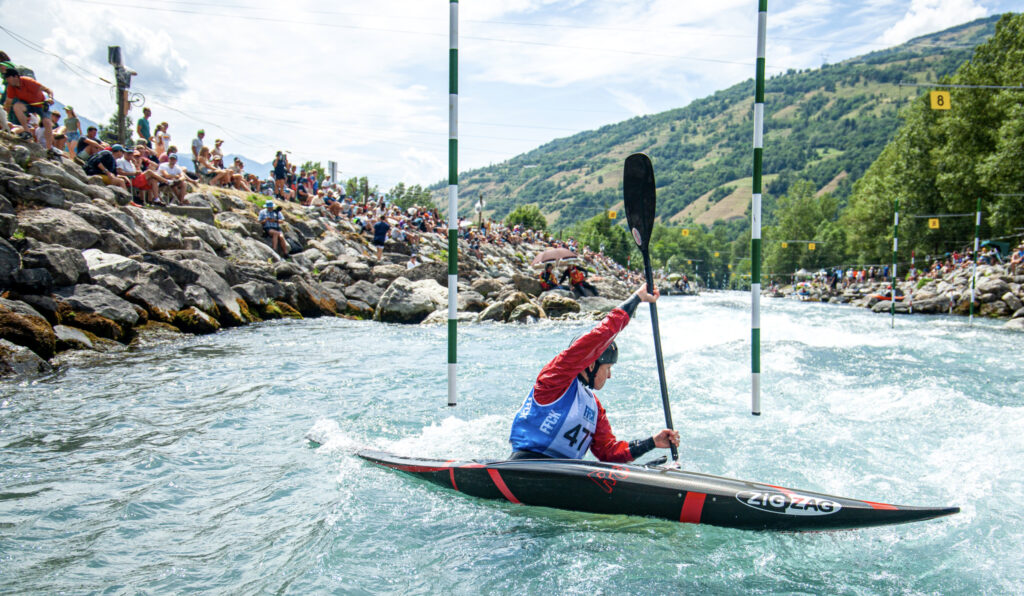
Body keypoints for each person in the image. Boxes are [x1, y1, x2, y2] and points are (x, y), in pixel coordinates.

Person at [508, 284, 679, 462]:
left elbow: (609, 452)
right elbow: (598, 337)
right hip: (526, 463)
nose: (610, 375)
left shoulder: (594, 407)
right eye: (608, 368)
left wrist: (651, 442)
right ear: (591, 366)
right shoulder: (555, 379)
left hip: (566, 473)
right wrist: (637, 298)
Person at [2, 68, 55, 148]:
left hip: (40, 104)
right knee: (17, 106)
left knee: (47, 123)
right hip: (28, 104)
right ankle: (27, 132)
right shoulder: (11, 87)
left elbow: (48, 90)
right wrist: (6, 118)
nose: (7, 80)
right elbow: (8, 103)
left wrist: (50, 98)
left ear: (15, 77)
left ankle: (49, 148)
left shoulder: (29, 82)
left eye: (8, 78)